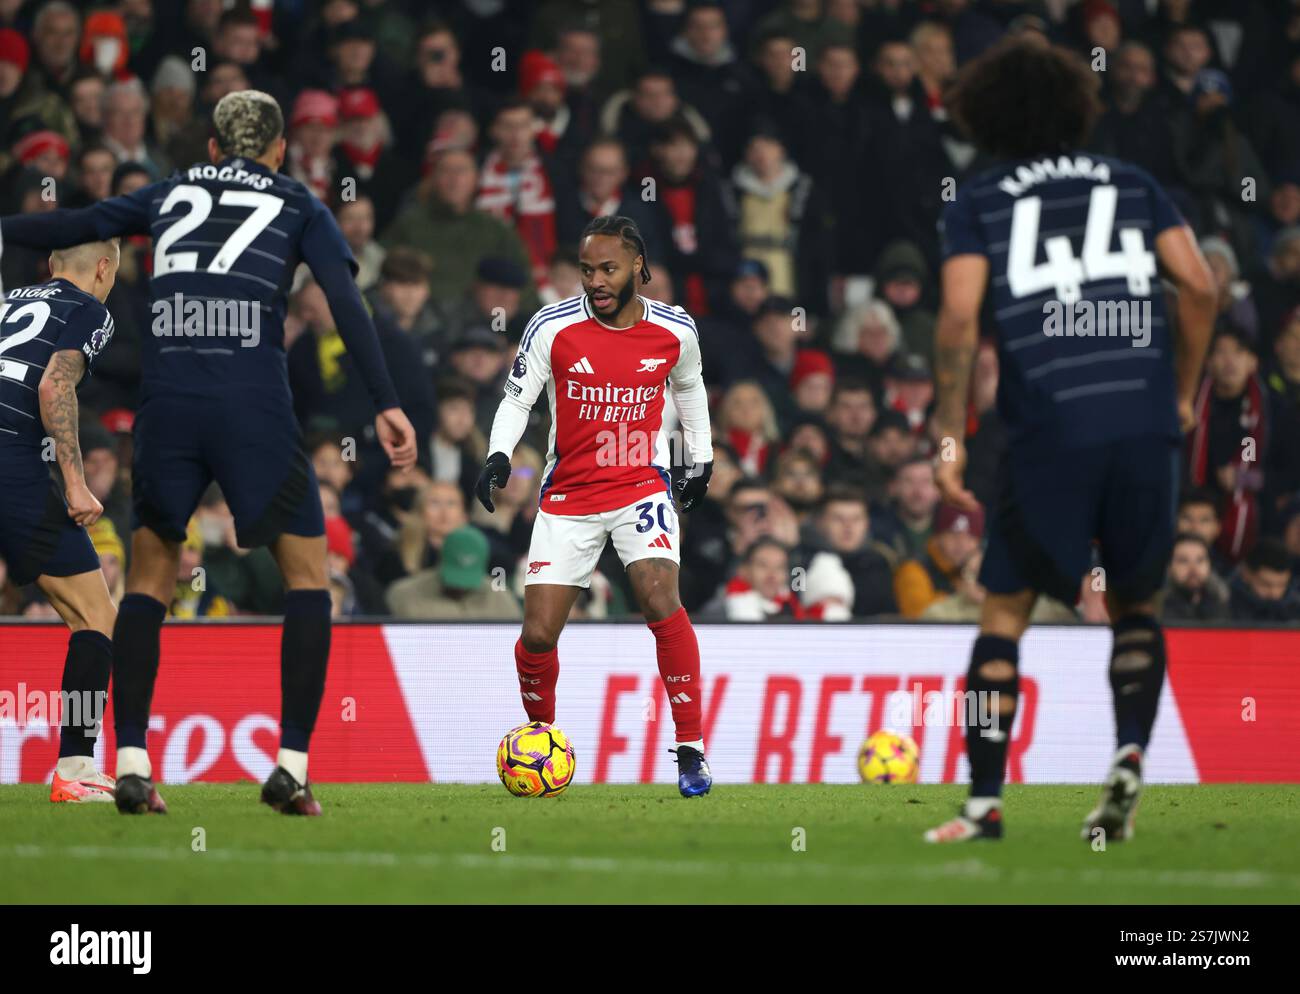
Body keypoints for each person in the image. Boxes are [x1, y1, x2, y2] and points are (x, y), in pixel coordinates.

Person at [0, 90, 418, 816]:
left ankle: (129, 760)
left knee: (147, 583)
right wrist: (384, 398)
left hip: (168, 410)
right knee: (308, 577)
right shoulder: (298, 203)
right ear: (280, 149)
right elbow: (345, 300)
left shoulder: (171, 190)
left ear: (215, 150)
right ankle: (289, 764)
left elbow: (74, 224)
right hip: (252, 407)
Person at [925, 40, 1214, 843]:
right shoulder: (1134, 183)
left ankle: (985, 802)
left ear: (986, 116)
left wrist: (950, 434)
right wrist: (1182, 396)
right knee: (1138, 604)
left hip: (1049, 426)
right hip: (1144, 421)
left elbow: (955, 319)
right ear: (1074, 109)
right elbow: (1200, 286)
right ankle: (1126, 753)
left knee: (1006, 610)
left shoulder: (978, 200)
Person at [474, 215, 716, 797]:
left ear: (638, 266)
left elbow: (688, 388)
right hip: (570, 494)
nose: (596, 281)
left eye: (608, 268)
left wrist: (700, 458)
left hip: (641, 486)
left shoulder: (675, 331)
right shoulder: (551, 327)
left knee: (660, 596)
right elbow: (517, 399)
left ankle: (691, 751)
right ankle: (541, 737)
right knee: (537, 635)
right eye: (586, 270)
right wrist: (499, 455)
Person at [0, 239, 121, 803]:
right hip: (13, 463)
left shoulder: (8, 302)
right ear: (103, 269)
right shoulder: (89, 311)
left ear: (51, 266)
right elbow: (54, 383)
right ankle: (76, 768)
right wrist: (74, 481)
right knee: (96, 616)